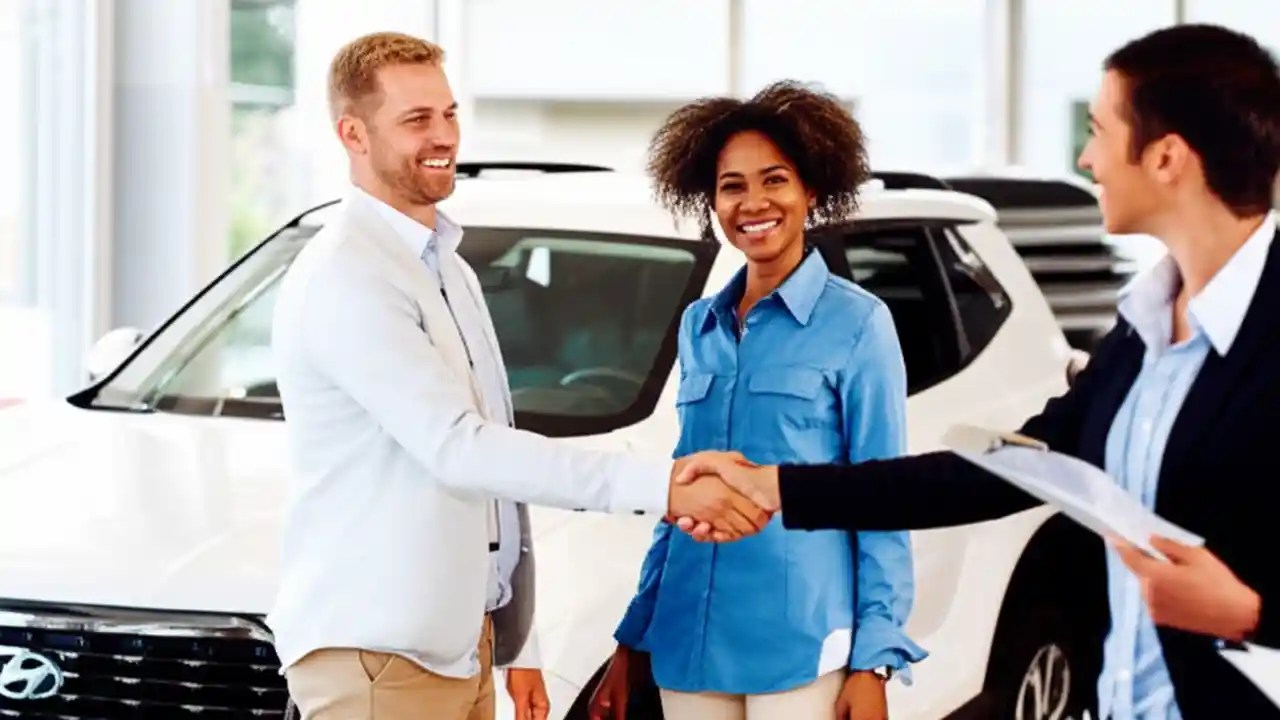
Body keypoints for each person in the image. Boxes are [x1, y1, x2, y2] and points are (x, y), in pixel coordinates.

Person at [675, 23, 1280, 720]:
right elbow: (995, 475)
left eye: (1099, 130)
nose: (1087, 159)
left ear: (1167, 157)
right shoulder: (1140, 334)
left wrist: (1252, 614)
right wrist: (778, 486)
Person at [267, 31, 766, 720]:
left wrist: (517, 641)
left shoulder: (448, 265)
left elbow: (494, 469)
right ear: (352, 134)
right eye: (417, 120)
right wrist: (666, 486)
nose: (444, 135)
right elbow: (460, 448)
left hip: (454, 647)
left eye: (449, 113)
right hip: (377, 659)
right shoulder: (348, 276)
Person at [588, 81, 926, 720]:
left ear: (811, 191)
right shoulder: (699, 324)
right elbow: (680, 489)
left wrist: (874, 660)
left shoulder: (859, 324)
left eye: (774, 180)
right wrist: (633, 636)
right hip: (690, 640)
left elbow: (884, 496)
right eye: (732, 186)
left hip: (800, 645)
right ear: (711, 200)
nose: (754, 203)